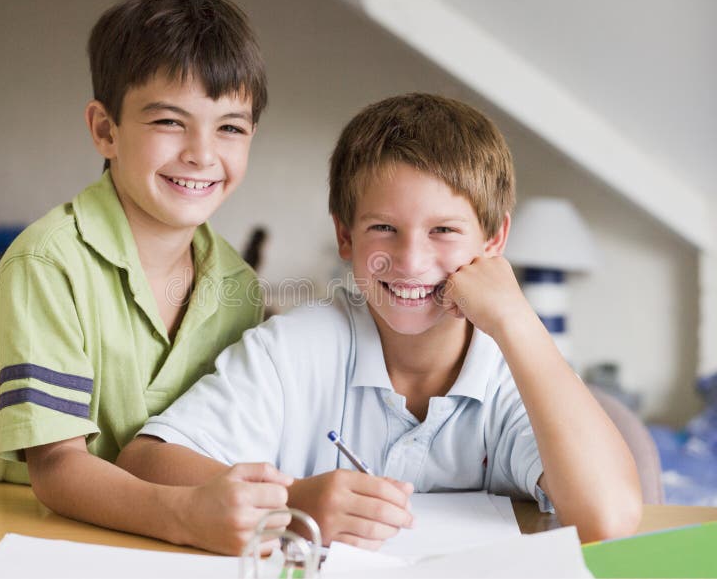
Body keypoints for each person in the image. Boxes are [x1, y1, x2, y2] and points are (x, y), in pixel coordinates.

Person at [117, 93, 643, 550]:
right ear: (346, 237)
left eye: (443, 230)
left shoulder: (515, 364)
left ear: (494, 241)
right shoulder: (297, 348)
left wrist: (516, 319)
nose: (412, 260)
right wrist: (292, 501)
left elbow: (610, 520)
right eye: (385, 228)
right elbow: (145, 464)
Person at [0, 0, 293, 555]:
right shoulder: (47, 263)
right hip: (18, 546)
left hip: (151, 550)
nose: (202, 154)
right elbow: (58, 466)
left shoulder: (238, 288)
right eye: (169, 121)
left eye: (230, 128)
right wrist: (187, 516)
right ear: (105, 130)